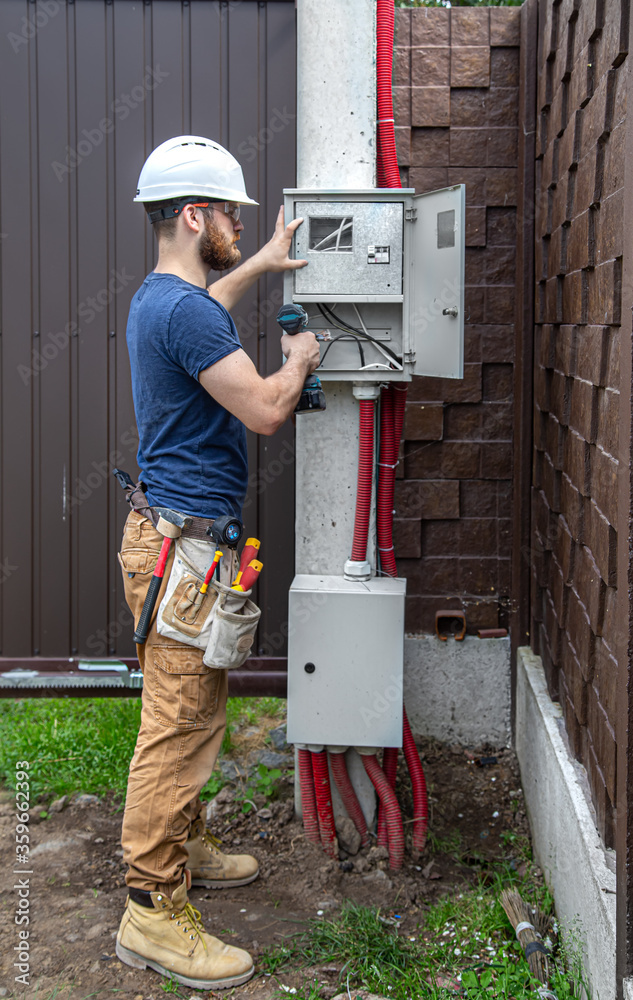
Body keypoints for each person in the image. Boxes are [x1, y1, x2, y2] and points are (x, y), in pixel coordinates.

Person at [114, 135, 319, 991]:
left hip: (175, 541)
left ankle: (185, 842)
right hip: (186, 550)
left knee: (196, 707)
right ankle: (152, 911)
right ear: (195, 215)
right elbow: (268, 410)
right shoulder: (187, 313)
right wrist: (305, 356)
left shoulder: (160, 300)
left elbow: (208, 305)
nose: (238, 225)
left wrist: (267, 260)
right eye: (231, 214)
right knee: (178, 722)